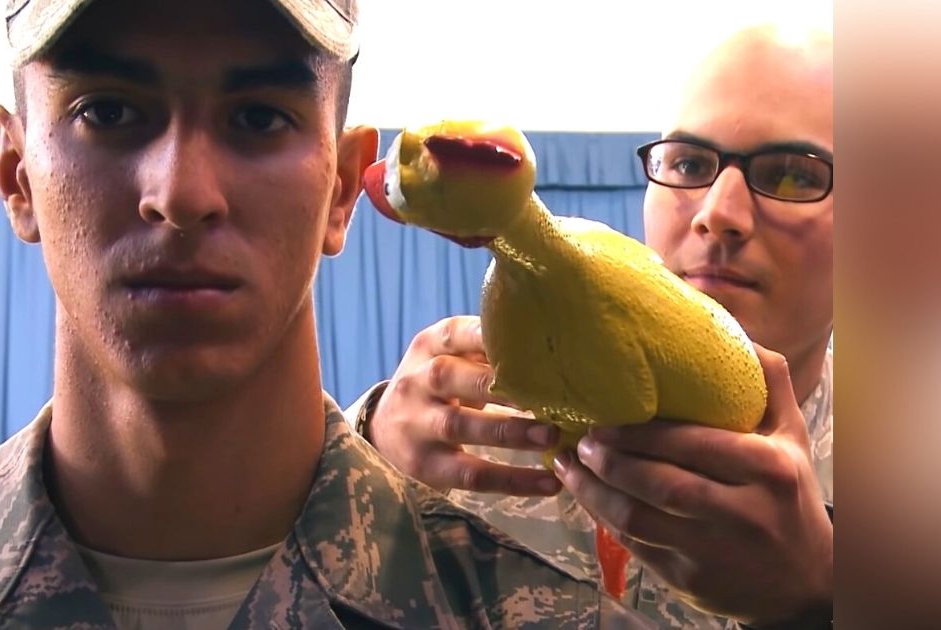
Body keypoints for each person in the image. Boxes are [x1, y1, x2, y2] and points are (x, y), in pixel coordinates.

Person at [0, 0, 658, 627]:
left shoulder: (543, 616)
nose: (182, 194)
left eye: (259, 117)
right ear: (16, 175)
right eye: (107, 111)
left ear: (342, 190)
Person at [346, 24, 834, 630]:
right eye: (687, 163)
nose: (718, 214)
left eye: (793, 175)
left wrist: (821, 596)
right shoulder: (478, 416)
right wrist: (365, 453)